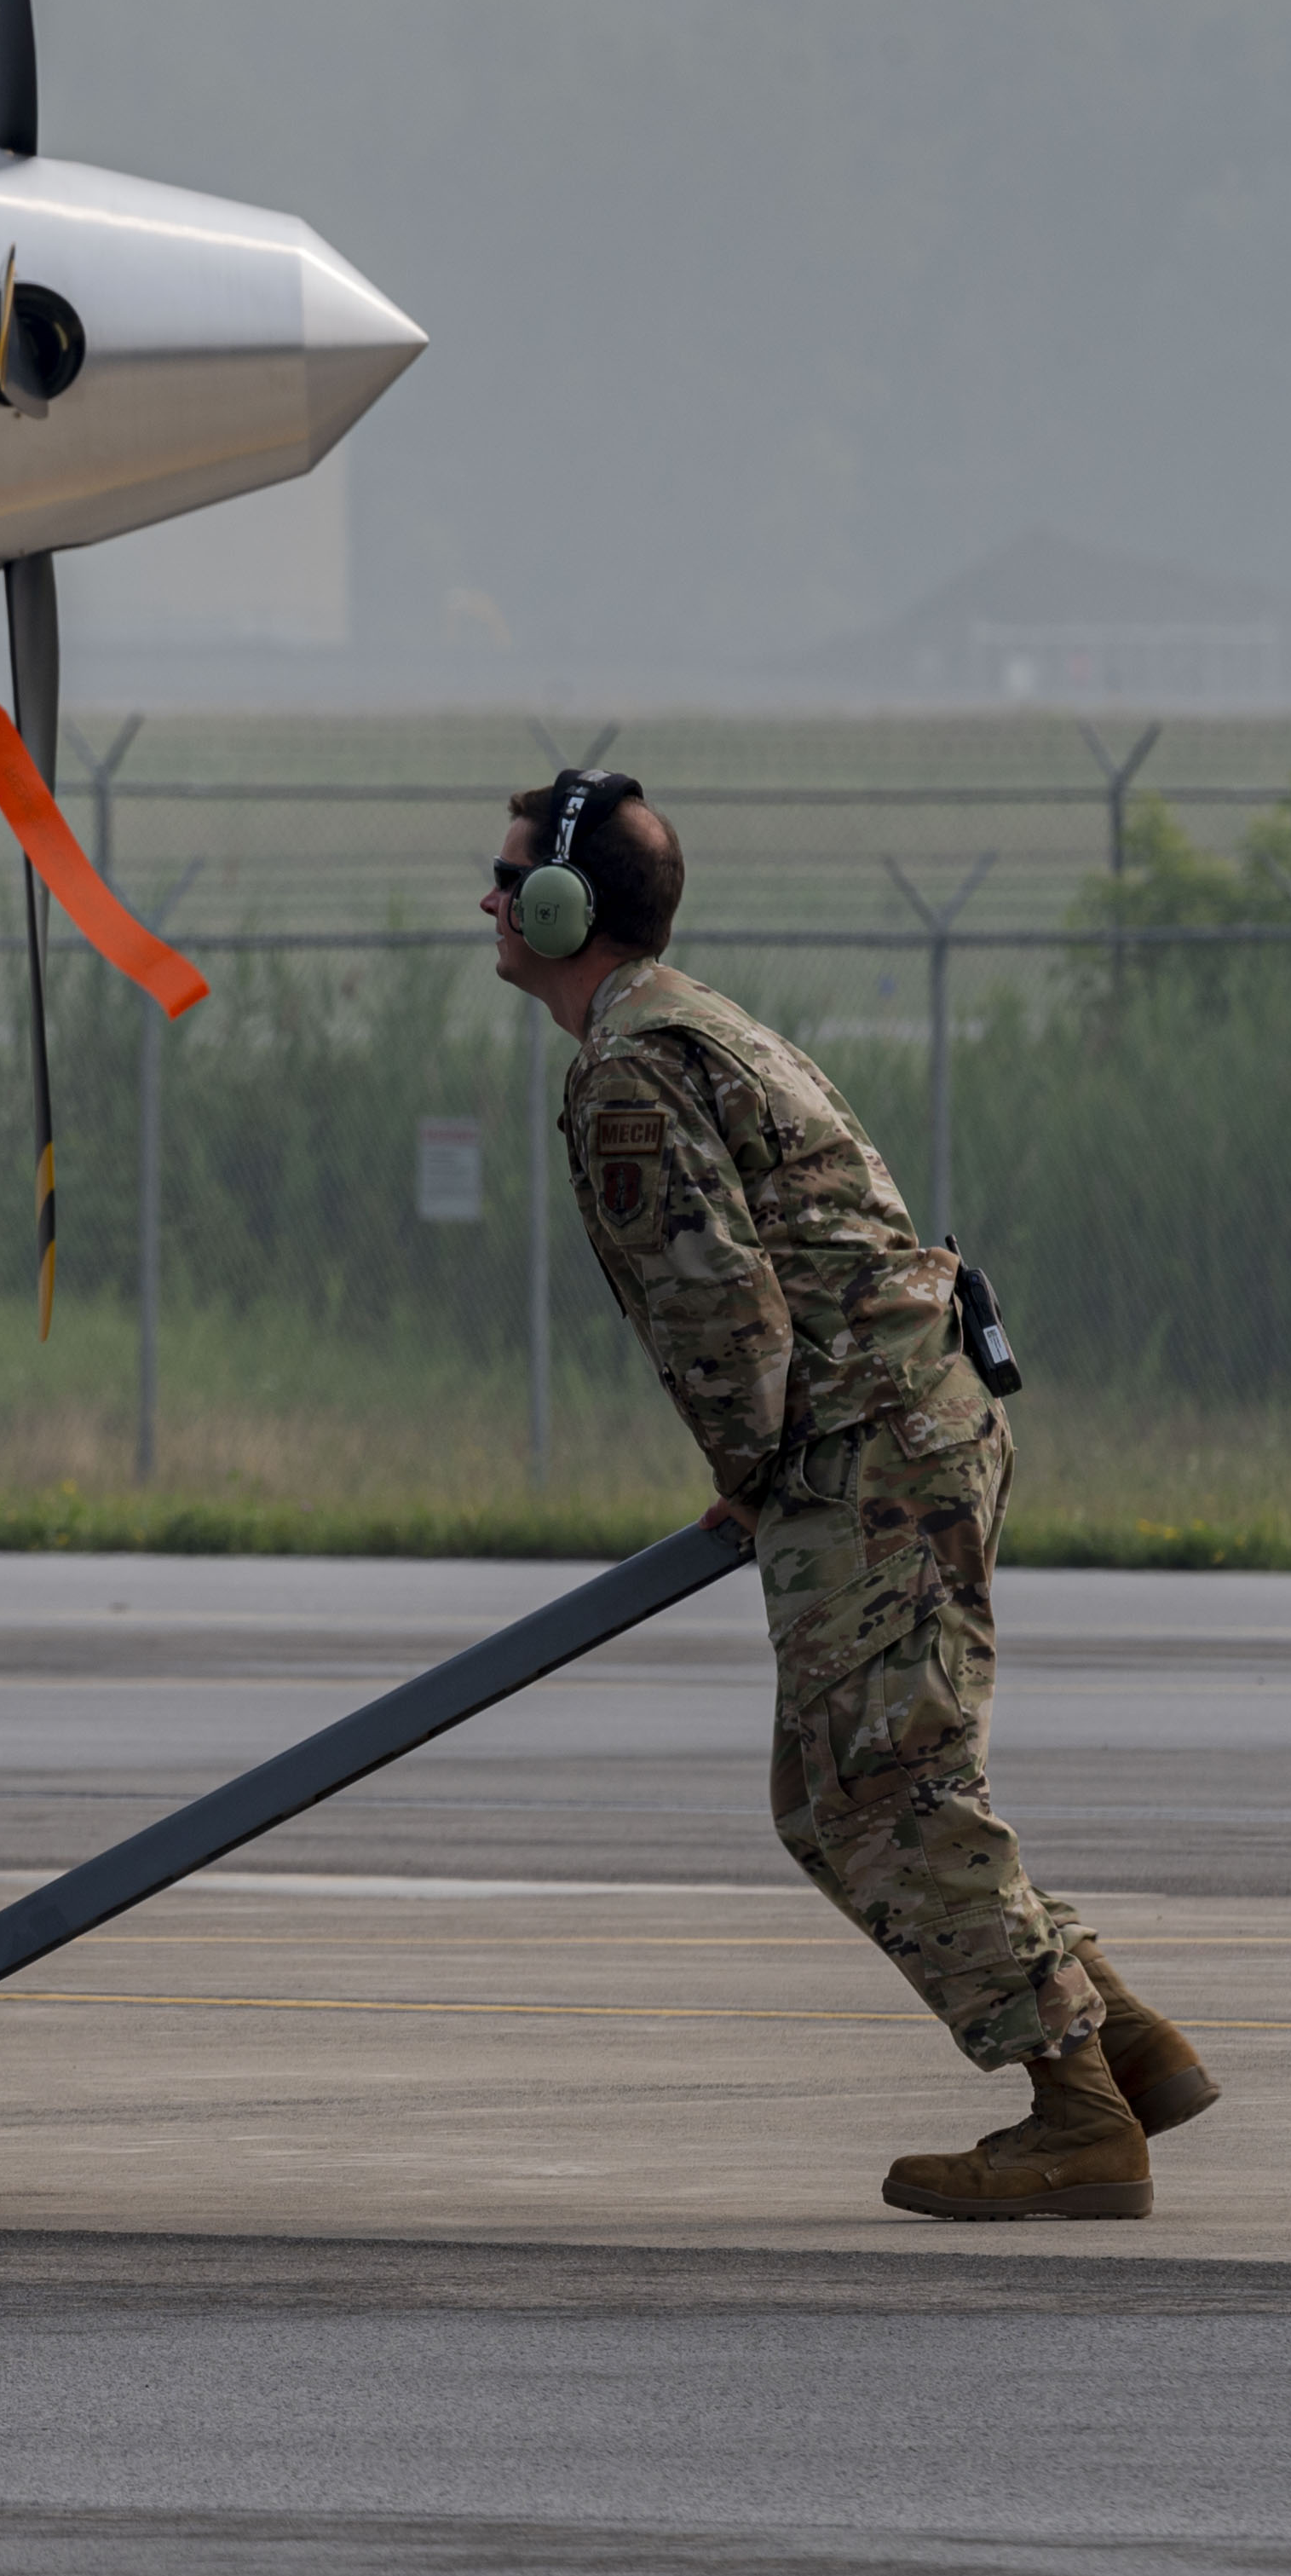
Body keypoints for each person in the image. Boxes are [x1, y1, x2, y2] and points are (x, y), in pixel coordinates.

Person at [489, 770, 1213, 2220]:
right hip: (901, 1438)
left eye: (511, 880)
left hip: (870, 1462)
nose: (492, 902)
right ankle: (1127, 2045)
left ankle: (1079, 2113)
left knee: (888, 1795)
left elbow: (722, 1314)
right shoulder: (691, 1021)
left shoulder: (627, 1066)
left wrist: (749, 1471)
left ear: (570, 908)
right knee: (836, 1801)